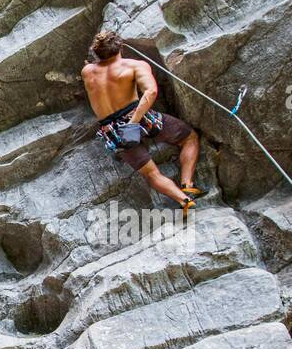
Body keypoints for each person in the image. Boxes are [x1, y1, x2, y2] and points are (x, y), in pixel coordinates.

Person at [82, 30, 204, 219]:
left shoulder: (87, 72)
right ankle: (187, 185)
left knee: (151, 174)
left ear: (97, 52)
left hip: (112, 130)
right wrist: (133, 121)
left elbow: (95, 67)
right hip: (138, 118)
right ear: (121, 47)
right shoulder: (134, 66)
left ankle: (184, 200)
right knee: (189, 137)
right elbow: (151, 93)